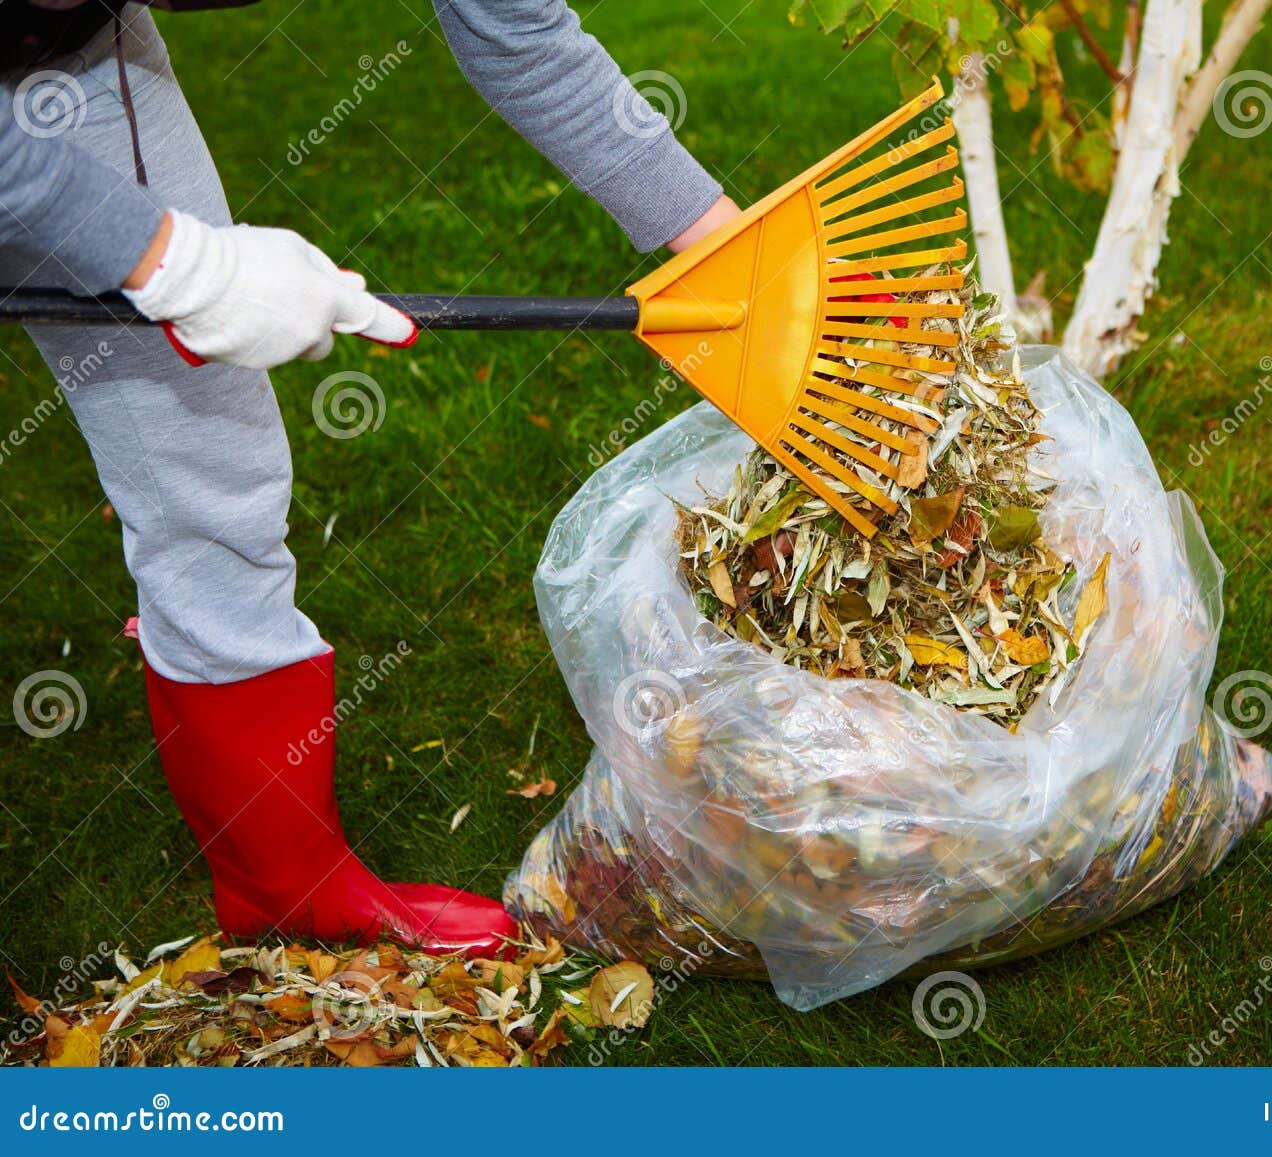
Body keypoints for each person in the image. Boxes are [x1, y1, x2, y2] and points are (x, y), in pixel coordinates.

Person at [0, 0, 739, 956]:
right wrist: (180, 264)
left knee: (211, 468)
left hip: (73, 51)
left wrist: (728, 252)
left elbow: (517, 31)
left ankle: (284, 883)